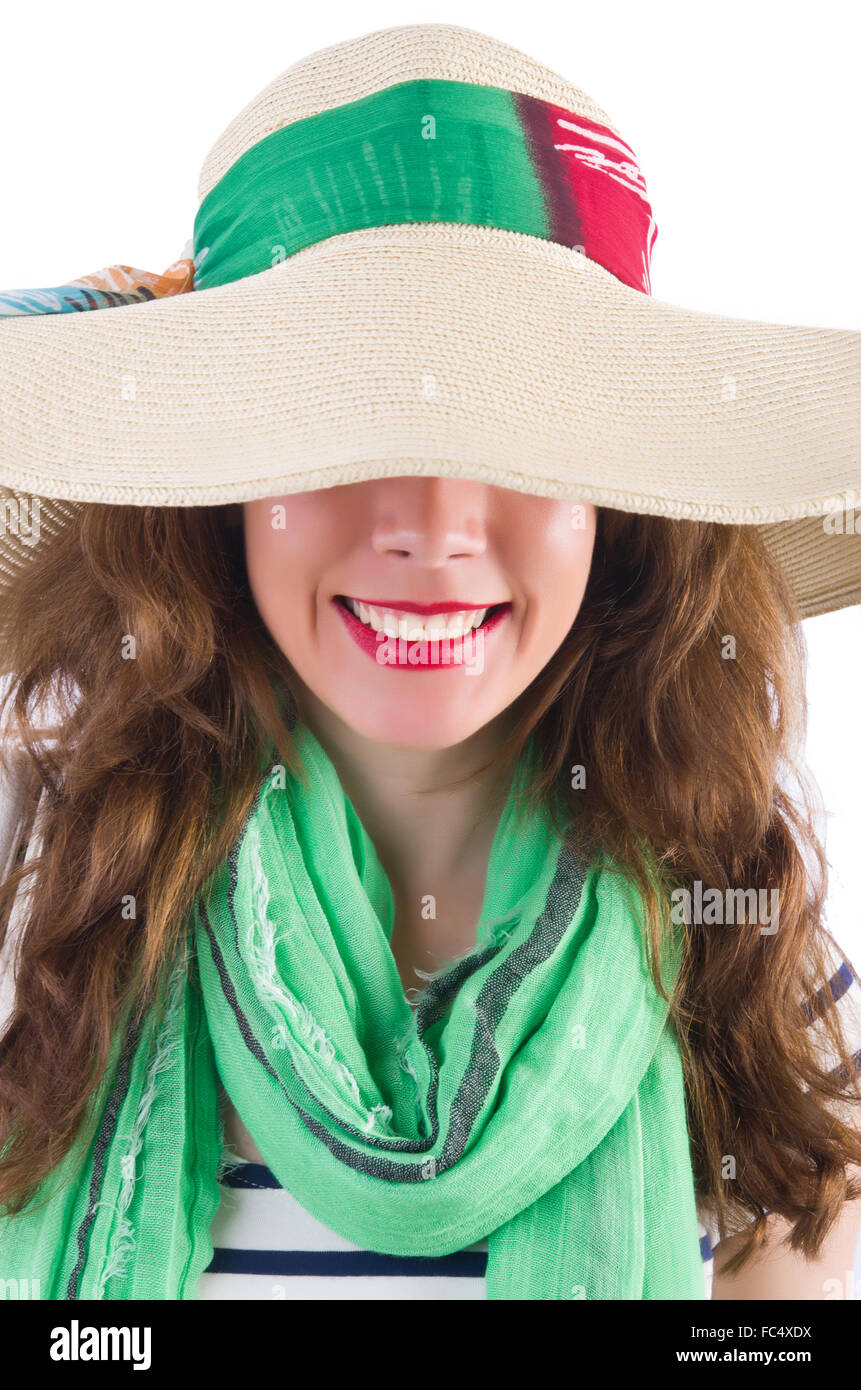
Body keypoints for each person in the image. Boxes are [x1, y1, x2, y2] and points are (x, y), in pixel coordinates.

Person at [0, 23, 859, 1302]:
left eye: (529, 436)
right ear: (216, 481)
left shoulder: (753, 956)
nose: (437, 530)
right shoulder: (36, 883)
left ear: (619, 506)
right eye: (345, 421)